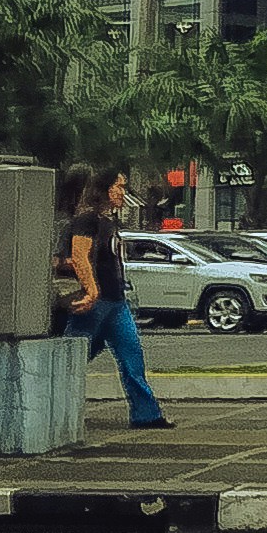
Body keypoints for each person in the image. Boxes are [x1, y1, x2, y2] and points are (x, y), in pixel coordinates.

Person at [63, 161, 170, 429]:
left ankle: (147, 414)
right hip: (96, 302)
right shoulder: (87, 219)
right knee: (72, 358)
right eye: (119, 186)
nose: (123, 192)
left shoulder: (108, 221)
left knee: (131, 355)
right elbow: (79, 255)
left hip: (116, 301)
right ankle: (53, 406)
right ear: (105, 189)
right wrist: (91, 289)